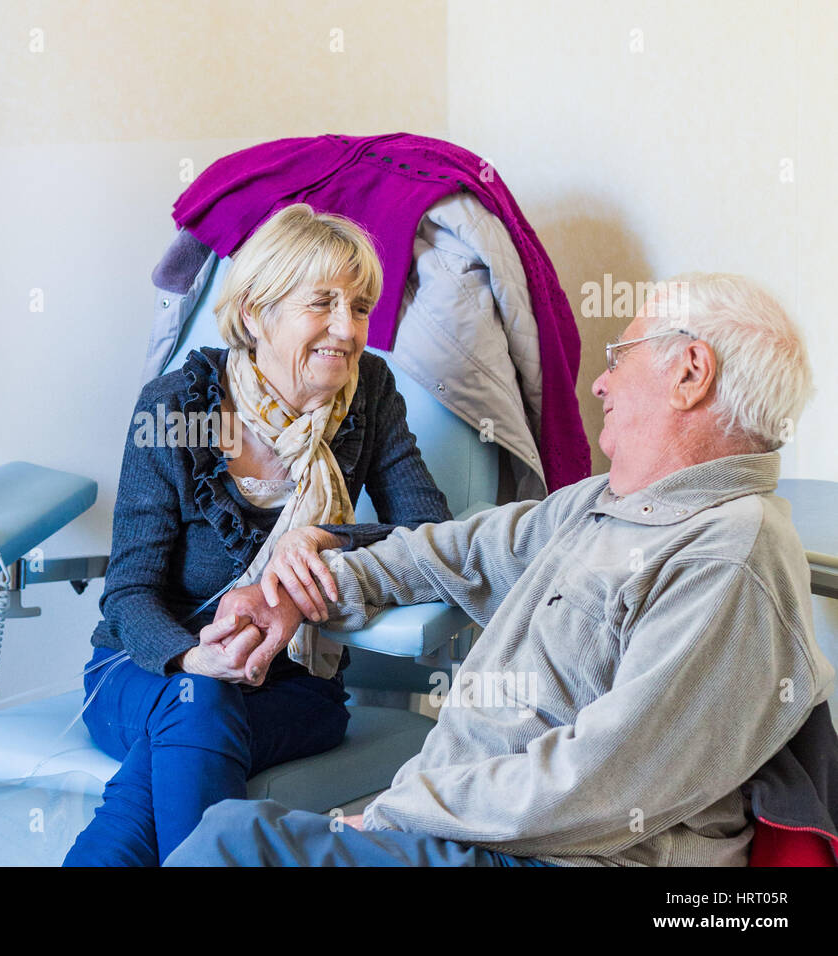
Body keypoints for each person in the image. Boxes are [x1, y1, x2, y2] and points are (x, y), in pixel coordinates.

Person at [167, 272, 837, 867]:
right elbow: (458, 551)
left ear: (691, 372)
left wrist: (406, 810)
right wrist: (310, 590)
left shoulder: (729, 553)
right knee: (229, 833)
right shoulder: (604, 503)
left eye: (619, 358)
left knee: (233, 844)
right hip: (470, 828)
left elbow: (601, 781)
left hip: (561, 855)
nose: (601, 382)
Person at [62, 204, 452, 866]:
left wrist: (329, 539)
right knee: (195, 703)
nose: (347, 328)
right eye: (321, 304)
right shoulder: (178, 407)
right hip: (142, 671)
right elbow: (128, 594)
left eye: (359, 307)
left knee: (181, 737)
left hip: (295, 687)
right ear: (254, 314)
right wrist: (193, 659)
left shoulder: (369, 394)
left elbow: (432, 534)